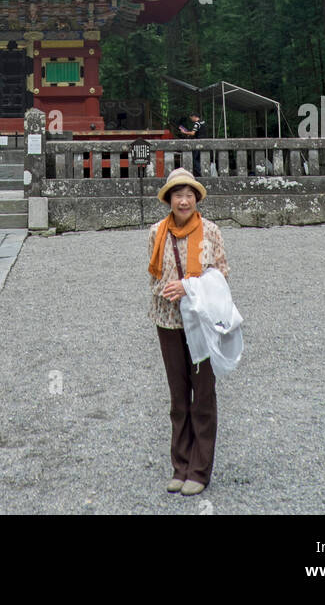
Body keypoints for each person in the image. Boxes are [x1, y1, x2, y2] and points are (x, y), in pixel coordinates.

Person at [147, 167, 230, 496]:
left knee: (203, 394)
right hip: (167, 320)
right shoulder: (157, 232)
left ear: (197, 198)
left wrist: (188, 288)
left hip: (202, 323)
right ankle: (180, 464)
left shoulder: (210, 231)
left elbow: (221, 275)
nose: (184, 200)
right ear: (168, 199)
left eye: (189, 194)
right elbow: (153, 276)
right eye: (177, 195)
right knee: (179, 396)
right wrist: (166, 290)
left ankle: (199, 469)